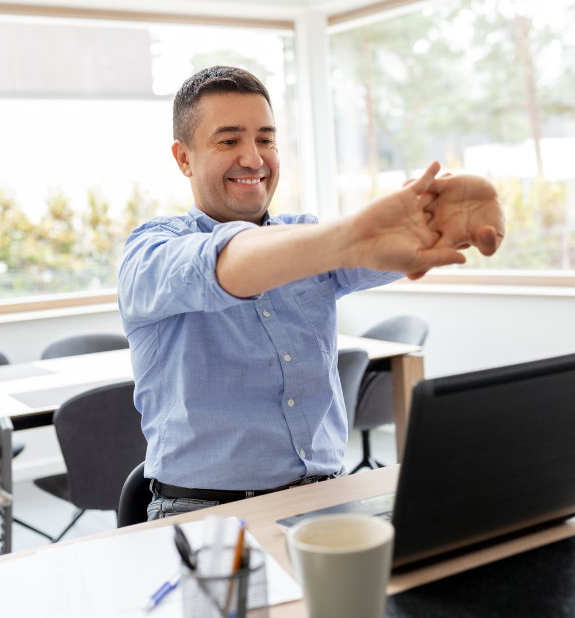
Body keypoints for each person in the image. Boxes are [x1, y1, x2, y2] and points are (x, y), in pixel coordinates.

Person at [117, 66, 505, 521]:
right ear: (184, 158)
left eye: (265, 139)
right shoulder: (151, 252)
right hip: (205, 514)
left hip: (326, 498)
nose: (254, 158)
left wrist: (436, 225)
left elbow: (370, 249)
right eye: (229, 141)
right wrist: (346, 238)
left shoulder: (306, 236)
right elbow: (224, 264)